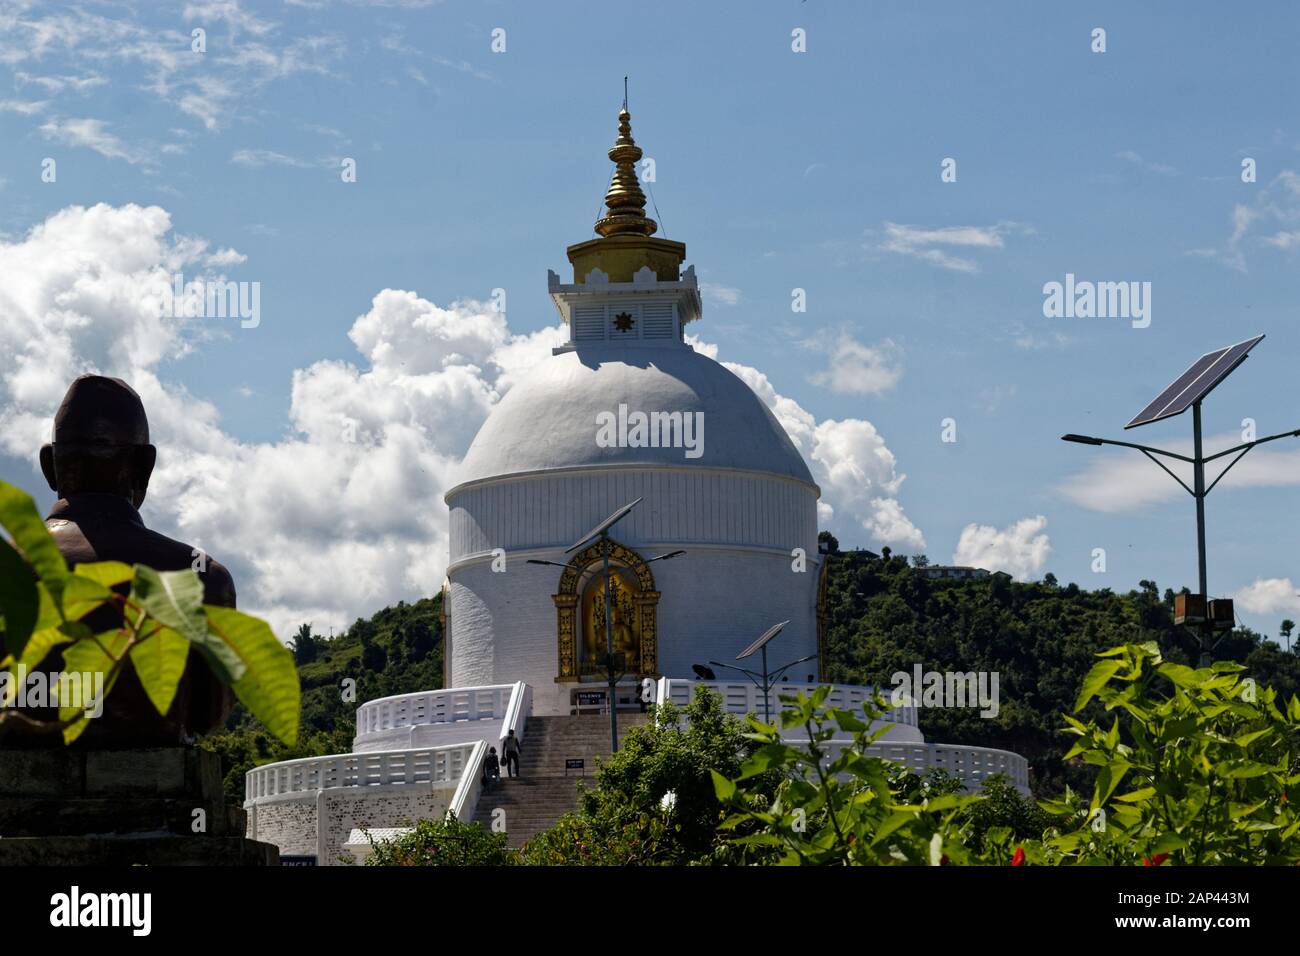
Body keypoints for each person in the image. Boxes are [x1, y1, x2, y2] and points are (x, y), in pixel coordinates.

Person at [22, 374, 238, 746]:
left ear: (48, 465)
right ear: (144, 466)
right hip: (161, 797)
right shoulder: (201, 580)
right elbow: (209, 716)